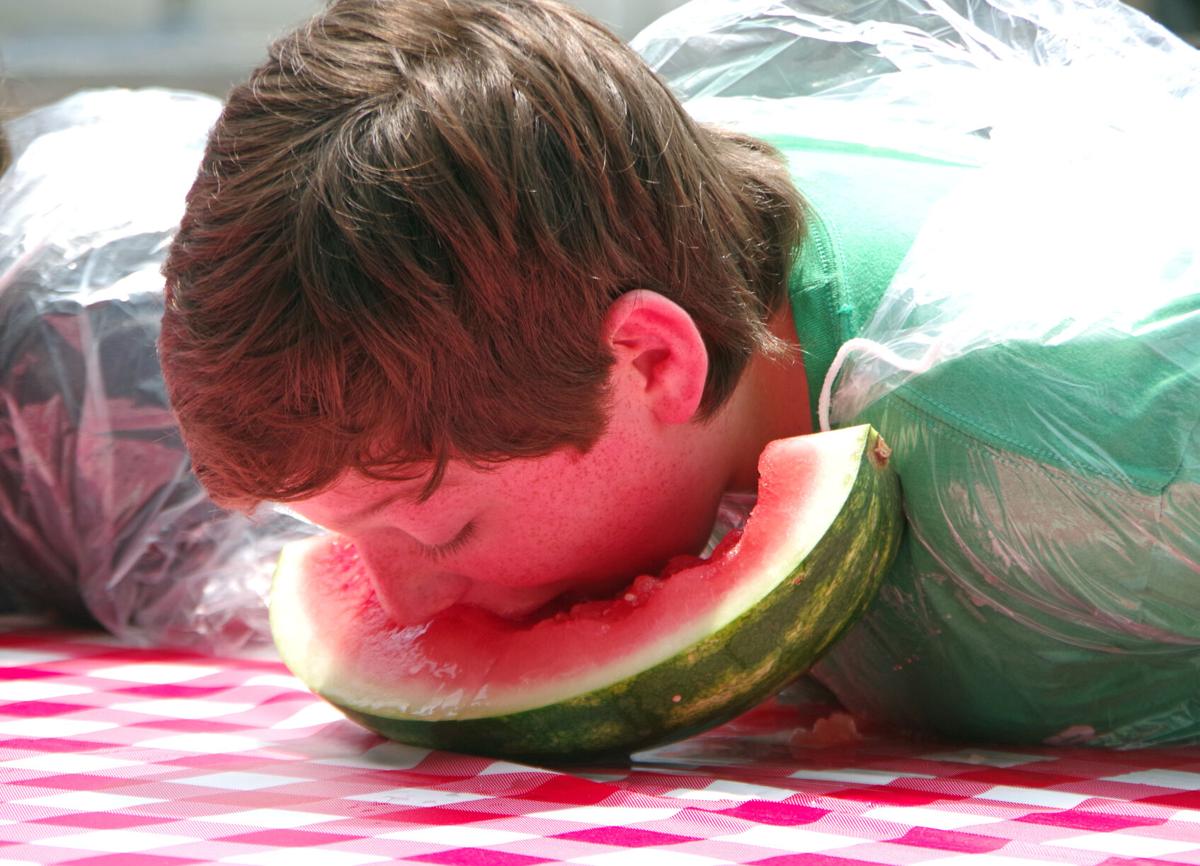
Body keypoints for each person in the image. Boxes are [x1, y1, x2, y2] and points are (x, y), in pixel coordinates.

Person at [160, 0, 1200, 746]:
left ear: (654, 358)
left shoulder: (1057, 449)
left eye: (442, 527)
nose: (401, 598)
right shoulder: (661, 198)